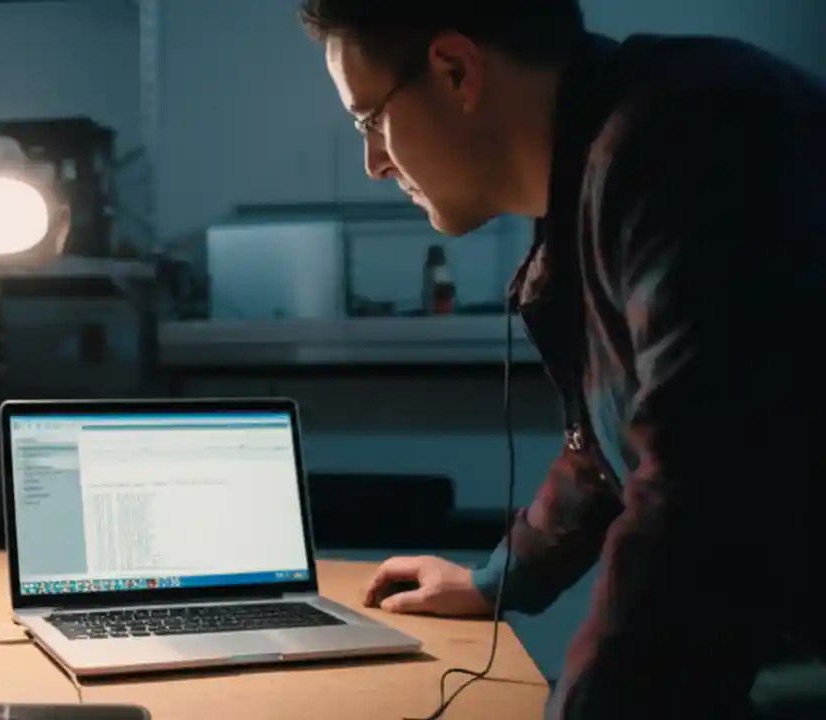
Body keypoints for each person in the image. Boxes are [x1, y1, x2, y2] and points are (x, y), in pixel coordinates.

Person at [299, 1, 826, 719]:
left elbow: (699, 496)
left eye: (369, 120)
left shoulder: (694, 135)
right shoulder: (601, 168)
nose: (373, 163)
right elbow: (615, 441)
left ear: (456, 71)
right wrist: (495, 582)